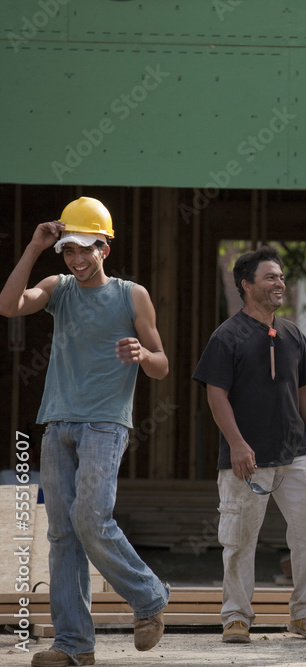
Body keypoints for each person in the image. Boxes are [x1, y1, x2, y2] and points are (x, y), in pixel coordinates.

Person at [0, 197, 170, 667]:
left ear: (105, 249)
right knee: (62, 535)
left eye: (85, 250)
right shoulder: (58, 288)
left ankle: (150, 597)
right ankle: (74, 645)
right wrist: (35, 248)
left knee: (91, 519)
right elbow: (9, 305)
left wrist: (142, 354)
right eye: (69, 250)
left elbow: (162, 366)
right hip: (58, 423)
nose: (76, 259)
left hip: (105, 424)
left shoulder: (131, 295)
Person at [192, 246, 306, 644]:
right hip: (246, 459)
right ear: (246, 285)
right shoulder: (227, 336)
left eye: (282, 277)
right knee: (239, 539)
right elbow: (215, 394)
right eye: (271, 277)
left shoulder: (291, 333)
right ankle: (236, 617)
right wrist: (236, 444)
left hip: (296, 453)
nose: (280, 284)